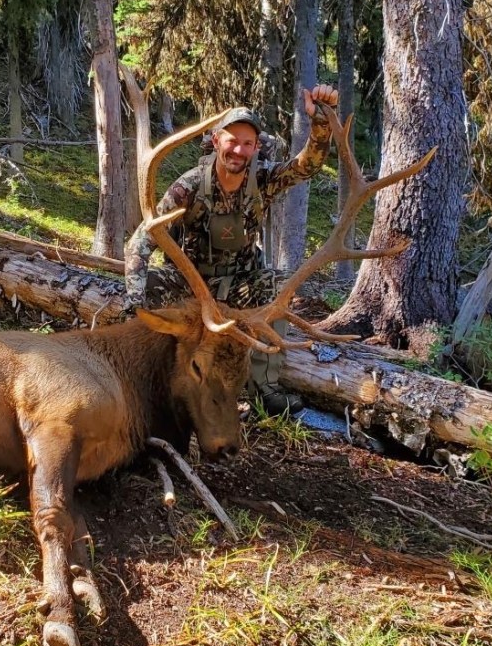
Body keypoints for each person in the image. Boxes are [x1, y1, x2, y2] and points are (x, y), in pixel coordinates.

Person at [123, 85, 338, 415]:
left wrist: (320, 121)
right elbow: (140, 242)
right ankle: (149, 376)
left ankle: (264, 386)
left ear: (256, 148)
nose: (239, 150)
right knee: (149, 288)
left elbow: (306, 166)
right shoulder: (188, 187)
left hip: (240, 284)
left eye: (247, 143)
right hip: (190, 285)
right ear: (215, 141)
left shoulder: (263, 180)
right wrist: (134, 303)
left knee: (278, 286)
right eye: (232, 140)